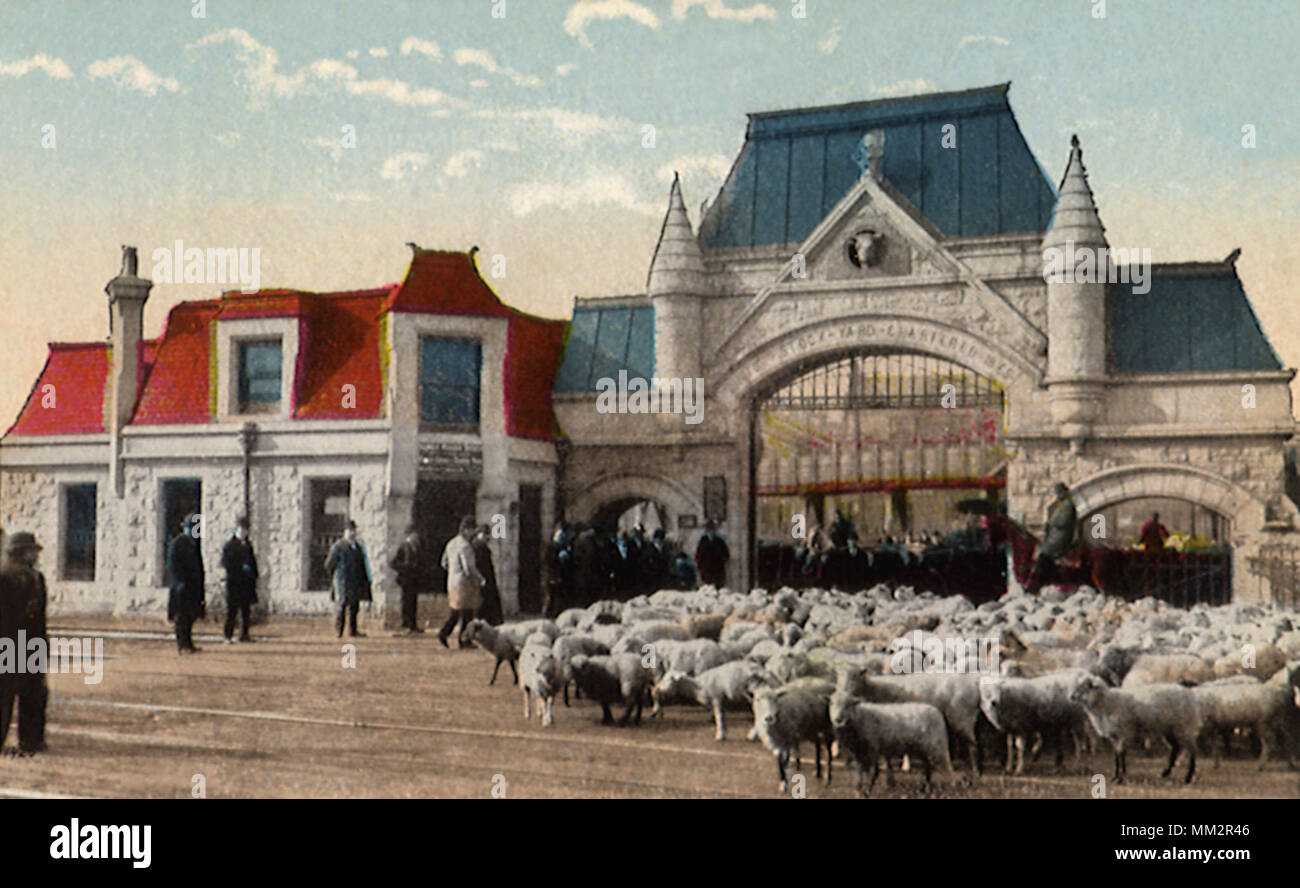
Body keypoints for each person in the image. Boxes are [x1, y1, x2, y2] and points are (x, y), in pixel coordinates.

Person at [0, 532, 48, 754]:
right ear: (20, 552)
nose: (36, 555)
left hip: (31, 644)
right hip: (10, 643)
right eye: (32, 551)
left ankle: (31, 741)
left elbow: (40, 616)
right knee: (6, 694)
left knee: (33, 693)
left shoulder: (37, 578)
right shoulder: (4, 577)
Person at [1026, 482, 1078, 596]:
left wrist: (1051, 523)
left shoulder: (1067, 505)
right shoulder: (1062, 505)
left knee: (1044, 556)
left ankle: (1035, 585)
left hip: (1060, 538)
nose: (1057, 495)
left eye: (1059, 492)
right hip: (1055, 536)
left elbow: (1063, 521)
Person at [439, 516, 484, 647]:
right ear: (465, 530)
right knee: (467, 613)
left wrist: (454, 571)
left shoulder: (451, 543)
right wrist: (480, 579)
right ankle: (462, 639)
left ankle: (447, 634)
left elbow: (444, 562)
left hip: (452, 582)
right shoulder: (465, 546)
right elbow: (469, 567)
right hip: (465, 583)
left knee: (457, 611)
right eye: (471, 530)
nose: (473, 533)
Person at [166, 513, 206, 654]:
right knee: (182, 618)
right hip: (181, 588)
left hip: (191, 588)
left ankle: (188, 643)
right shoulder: (178, 543)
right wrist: (179, 582)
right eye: (191, 527)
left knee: (190, 617)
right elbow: (173, 565)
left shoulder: (193, 544)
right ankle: (182, 645)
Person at [325, 520, 372, 638]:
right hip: (343, 582)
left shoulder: (357, 547)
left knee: (354, 607)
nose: (352, 533)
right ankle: (339, 631)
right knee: (341, 606)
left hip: (355, 581)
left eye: (353, 531)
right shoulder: (338, 546)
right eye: (349, 531)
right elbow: (329, 564)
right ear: (344, 532)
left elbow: (362, 565)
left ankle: (353, 631)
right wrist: (338, 577)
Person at [220, 516, 259, 643]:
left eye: (245, 530)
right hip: (234, 583)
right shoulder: (230, 545)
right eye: (241, 530)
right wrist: (240, 568)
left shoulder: (248, 545)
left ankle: (244, 634)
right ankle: (227, 635)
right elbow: (226, 563)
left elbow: (253, 562)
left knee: (246, 610)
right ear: (236, 530)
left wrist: (254, 574)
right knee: (232, 611)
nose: (243, 533)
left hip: (246, 583)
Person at [390, 525, 425, 634]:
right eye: (414, 534)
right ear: (409, 535)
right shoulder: (404, 547)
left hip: (414, 579)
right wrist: (405, 567)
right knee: (406, 602)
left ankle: (413, 624)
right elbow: (393, 563)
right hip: (406, 579)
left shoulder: (417, 547)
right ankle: (406, 624)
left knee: (413, 601)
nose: (416, 536)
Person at [472, 524, 503, 625]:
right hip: (482, 580)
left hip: (487, 579)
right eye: (485, 534)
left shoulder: (481, 546)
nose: (487, 537)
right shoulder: (477, 547)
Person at [694, 520, 730, 588]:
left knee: (718, 586)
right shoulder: (703, 541)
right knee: (708, 587)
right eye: (709, 529)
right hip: (706, 569)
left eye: (712, 529)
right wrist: (700, 566)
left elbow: (725, 554)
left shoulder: (719, 541)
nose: (711, 531)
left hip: (718, 569)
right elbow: (699, 555)